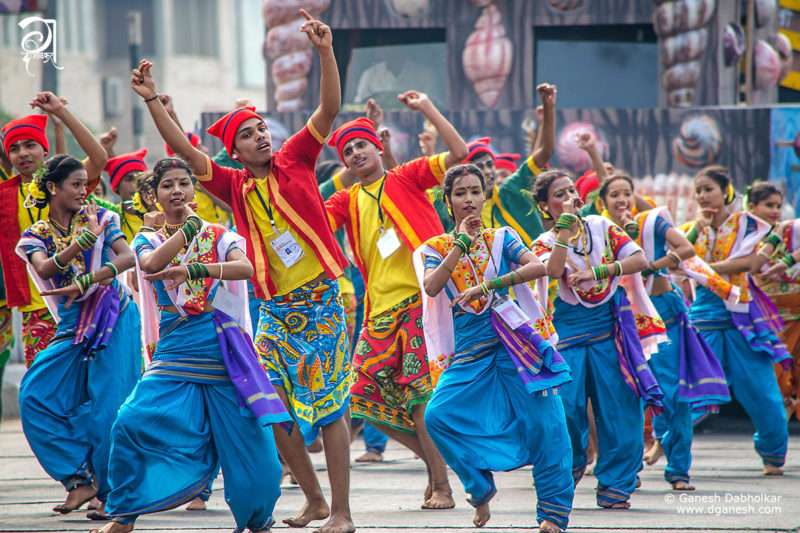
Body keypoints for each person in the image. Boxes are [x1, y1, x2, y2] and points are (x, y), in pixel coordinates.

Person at [132, 11, 355, 532]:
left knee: (330, 407)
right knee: (269, 407)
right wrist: (151, 101)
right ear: (233, 152)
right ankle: (316, 500)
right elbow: (186, 152)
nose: (261, 137)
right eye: (249, 135)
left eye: (262, 130)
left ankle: (341, 512)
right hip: (275, 310)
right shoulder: (232, 186)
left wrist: (325, 50)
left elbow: (328, 107)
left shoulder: (297, 158)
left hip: (323, 298)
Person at [93, 158, 290, 533]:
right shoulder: (147, 238)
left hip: (221, 348)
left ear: (194, 190)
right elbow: (149, 266)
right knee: (130, 422)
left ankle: (258, 516)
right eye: (168, 185)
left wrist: (197, 266)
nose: (178, 190)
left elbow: (245, 268)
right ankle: (124, 514)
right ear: (154, 195)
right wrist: (189, 230)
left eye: (184, 183)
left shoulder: (219, 234)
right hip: (175, 348)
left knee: (257, 456)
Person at [325, 89, 468, 509]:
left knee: (421, 400)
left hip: (420, 306)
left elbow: (460, 153)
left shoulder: (406, 176)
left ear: (378, 147)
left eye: (361, 145)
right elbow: (310, 214)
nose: (354, 153)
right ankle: (438, 465)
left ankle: (441, 486)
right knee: (359, 396)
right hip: (377, 316)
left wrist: (425, 108)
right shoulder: (346, 199)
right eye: (347, 149)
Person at [415, 164, 573, 532]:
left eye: (475, 191)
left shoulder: (503, 238)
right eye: (460, 193)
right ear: (448, 200)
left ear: (485, 196)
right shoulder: (434, 248)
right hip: (471, 353)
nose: (469, 199)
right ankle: (479, 485)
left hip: (517, 344)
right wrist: (460, 245)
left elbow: (540, 268)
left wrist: (490, 285)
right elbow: (433, 286)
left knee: (548, 426)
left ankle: (552, 514)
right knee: (437, 415)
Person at [15, 155, 140, 519]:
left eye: (87, 184)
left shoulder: (103, 218)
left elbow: (127, 256)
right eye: (75, 184)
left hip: (113, 312)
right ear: (53, 187)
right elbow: (45, 267)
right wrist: (83, 240)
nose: (84, 191)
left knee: (108, 407)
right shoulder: (36, 233)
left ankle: (113, 495)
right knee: (35, 396)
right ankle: (78, 478)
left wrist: (89, 277)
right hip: (73, 321)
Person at [531, 169, 664, 509]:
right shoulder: (544, 242)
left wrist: (599, 271)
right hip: (568, 341)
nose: (570, 197)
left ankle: (616, 485)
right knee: (567, 413)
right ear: (546, 206)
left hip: (609, 336)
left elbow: (638, 259)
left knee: (621, 411)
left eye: (571, 190)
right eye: (559, 195)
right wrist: (563, 230)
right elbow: (553, 270)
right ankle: (572, 466)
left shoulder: (601, 227)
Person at [597, 172, 730, 490]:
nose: (622, 200)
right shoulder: (597, 232)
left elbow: (685, 249)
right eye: (614, 195)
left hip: (664, 315)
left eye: (626, 193)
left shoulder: (651, 221)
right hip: (622, 322)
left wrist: (652, 265)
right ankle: (627, 470)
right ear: (603, 203)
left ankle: (679, 469)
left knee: (674, 393)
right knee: (629, 394)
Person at [683, 166, 790, 475]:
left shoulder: (749, 226)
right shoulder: (692, 229)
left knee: (761, 391)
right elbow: (678, 259)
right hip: (703, 316)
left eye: (709, 189)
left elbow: (754, 263)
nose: (703, 196)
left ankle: (773, 454)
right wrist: (694, 265)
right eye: (699, 190)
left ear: (726, 191)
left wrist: (704, 268)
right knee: (688, 388)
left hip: (742, 318)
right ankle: (667, 451)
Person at [0, 94, 108, 366]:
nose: (22, 153)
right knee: (42, 388)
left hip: (81, 298)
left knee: (85, 384)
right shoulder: (3, 195)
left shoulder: (67, 184)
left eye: (30, 145)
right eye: (14, 148)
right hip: (35, 307)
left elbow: (98, 157)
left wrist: (62, 114)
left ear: (45, 150)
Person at [749, 182, 800, 421]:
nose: (775, 211)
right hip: (768, 318)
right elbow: (753, 266)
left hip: (796, 310)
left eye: (778, 206)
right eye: (768, 205)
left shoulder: (792, 229)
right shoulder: (745, 235)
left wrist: (789, 259)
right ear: (751, 207)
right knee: (775, 373)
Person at [104, 149, 147, 242]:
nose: (135, 184)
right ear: (117, 186)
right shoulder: (110, 214)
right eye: (129, 179)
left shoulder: (159, 213)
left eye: (140, 178)